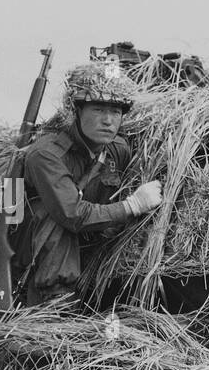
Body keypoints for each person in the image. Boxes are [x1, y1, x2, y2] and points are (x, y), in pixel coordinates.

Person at [12, 62, 163, 304]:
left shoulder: (117, 151)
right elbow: (73, 215)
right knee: (54, 217)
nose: (108, 120)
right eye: (98, 110)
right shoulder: (47, 154)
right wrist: (133, 205)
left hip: (89, 250)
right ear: (77, 110)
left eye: (115, 112)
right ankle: (55, 304)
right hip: (36, 256)